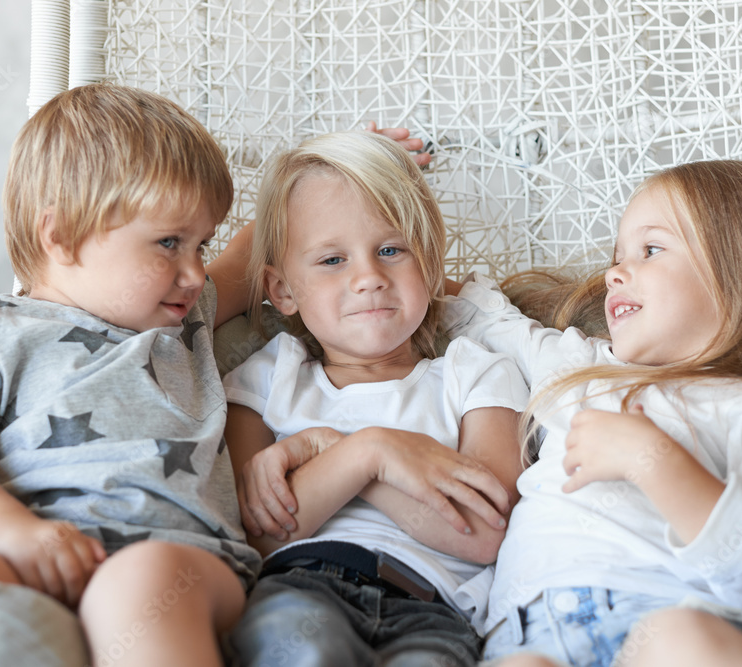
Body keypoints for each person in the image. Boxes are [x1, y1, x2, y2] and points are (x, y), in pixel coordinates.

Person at [0, 82, 268, 667]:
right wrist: (12, 533)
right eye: (170, 243)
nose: (196, 272)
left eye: (202, 245)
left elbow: (261, 245)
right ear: (62, 235)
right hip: (23, 546)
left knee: (142, 585)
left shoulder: (186, 321)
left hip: (176, 559)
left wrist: (344, 169)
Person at [438, 160, 742, 666]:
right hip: (527, 634)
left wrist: (652, 459)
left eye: (650, 249)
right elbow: (482, 315)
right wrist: (387, 210)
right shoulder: (578, 363)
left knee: (682, 638)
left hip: (668, 613)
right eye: (617, 256)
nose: (613, 273)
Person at [220, 130, 528, 666]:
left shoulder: (475, 374)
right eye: (332, 260)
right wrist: (371, 453)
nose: (368, 278)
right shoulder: (266, 380)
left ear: (429, 265)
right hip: (300, 587)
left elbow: (482, 533)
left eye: (390, 250)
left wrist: (336, 457)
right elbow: (259, 533)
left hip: (433, 607)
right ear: (283, 290)